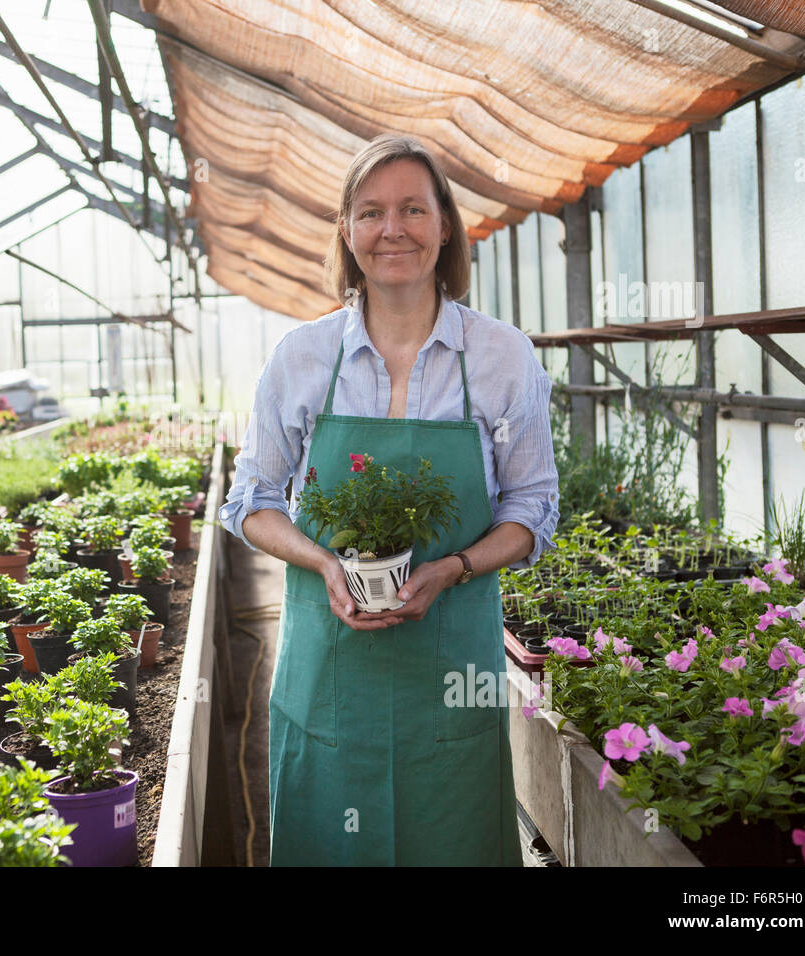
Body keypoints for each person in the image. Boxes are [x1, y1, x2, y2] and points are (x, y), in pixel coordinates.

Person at [218, 134, 560, 866]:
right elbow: (250, 498)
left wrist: (453, 567)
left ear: (445, 226)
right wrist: (323, 562)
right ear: (347, 230)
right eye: (370, 212)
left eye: (412, 208)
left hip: (451, 678)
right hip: (329, 675)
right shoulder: (302, 357)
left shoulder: (501, 357)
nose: (392, 229)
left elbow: (532, 511)